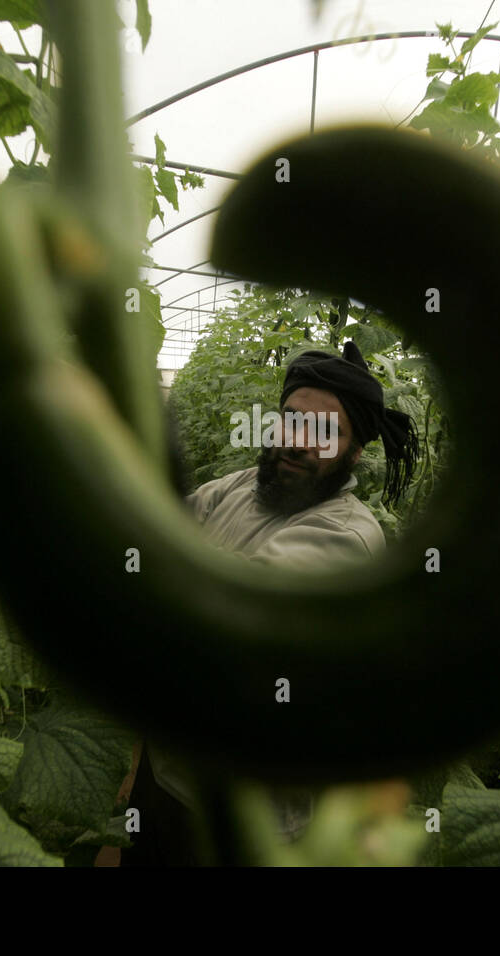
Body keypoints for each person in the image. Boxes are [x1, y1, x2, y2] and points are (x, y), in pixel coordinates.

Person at [119, 340, 420, 866]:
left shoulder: (344, 537)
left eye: (327, 432)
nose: (299, 441)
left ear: (355, 450)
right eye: (292, 420)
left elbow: (225, 633)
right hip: (167, 774)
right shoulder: (238, 488)